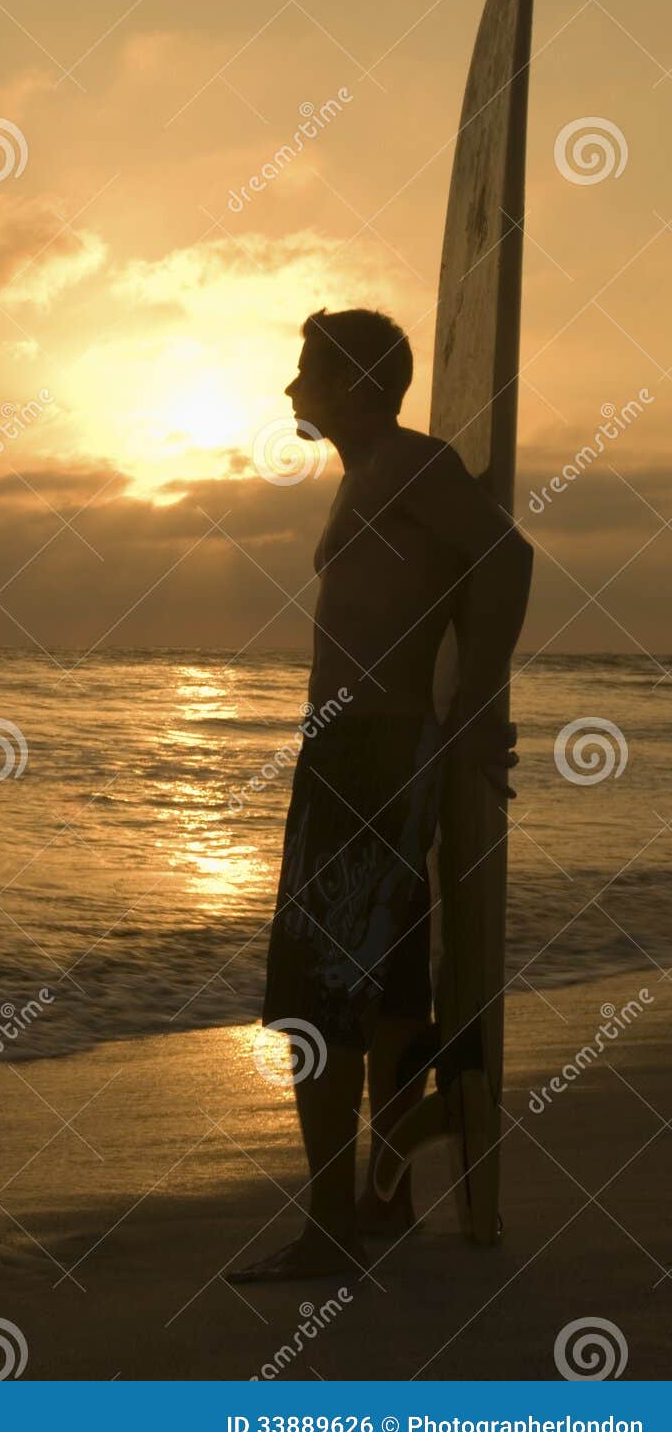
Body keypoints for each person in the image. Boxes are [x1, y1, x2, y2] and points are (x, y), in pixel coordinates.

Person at [229, 308, 532, 1284]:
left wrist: (477, 705)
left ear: (356, 385)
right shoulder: (369, 474)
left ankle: (328, 1231)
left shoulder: (409, 464)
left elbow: (506, 556)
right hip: (370, 751)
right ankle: (384, 1197)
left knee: (317, 995)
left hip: (368, 755)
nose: (290, 387)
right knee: (393, 986)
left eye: (307, 370)